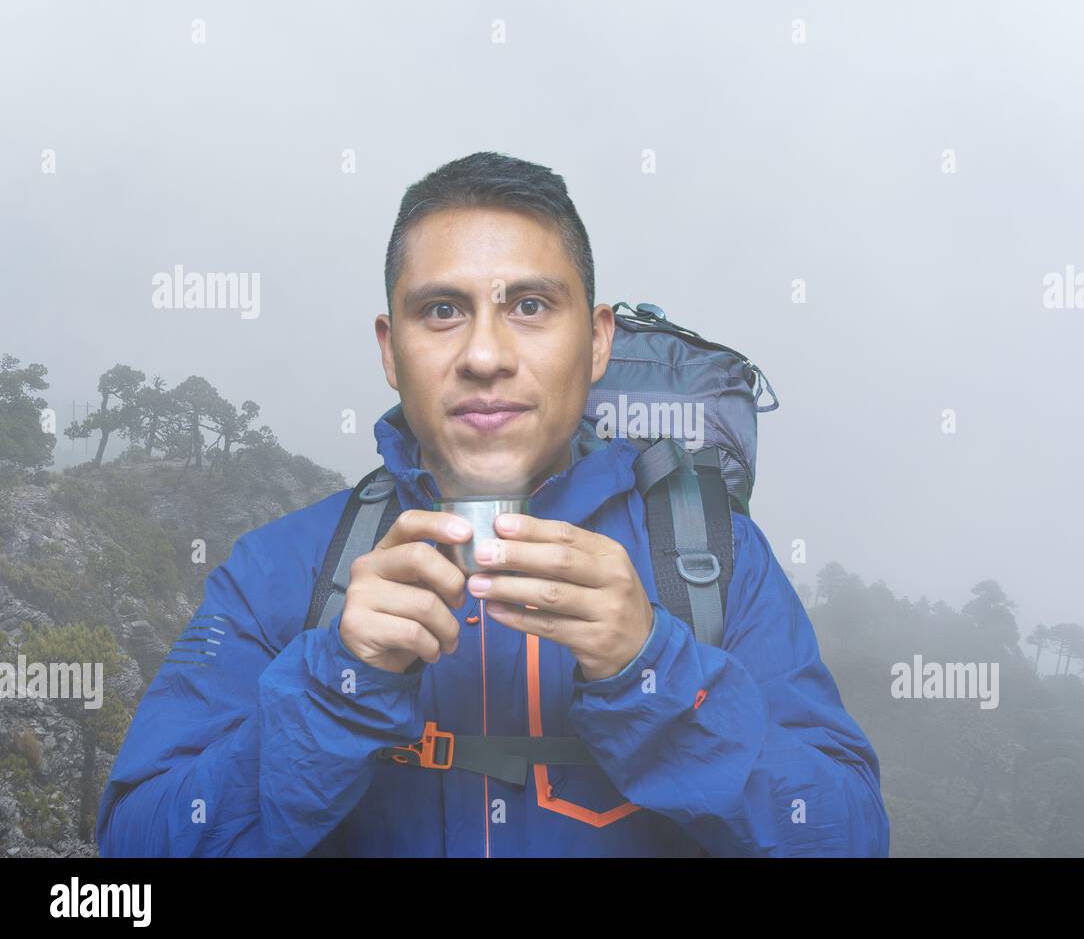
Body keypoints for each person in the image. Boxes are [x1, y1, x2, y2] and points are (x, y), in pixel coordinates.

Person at [96, 151, 890, 857]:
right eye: (442, 310)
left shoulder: (715, 559)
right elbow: (131, 861)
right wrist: (336, 681)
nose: (484, 356)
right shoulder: (278, 568)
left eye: (531, 307)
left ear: (599, 339)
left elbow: (848, 836)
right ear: (388, 348)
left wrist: (651, 668)